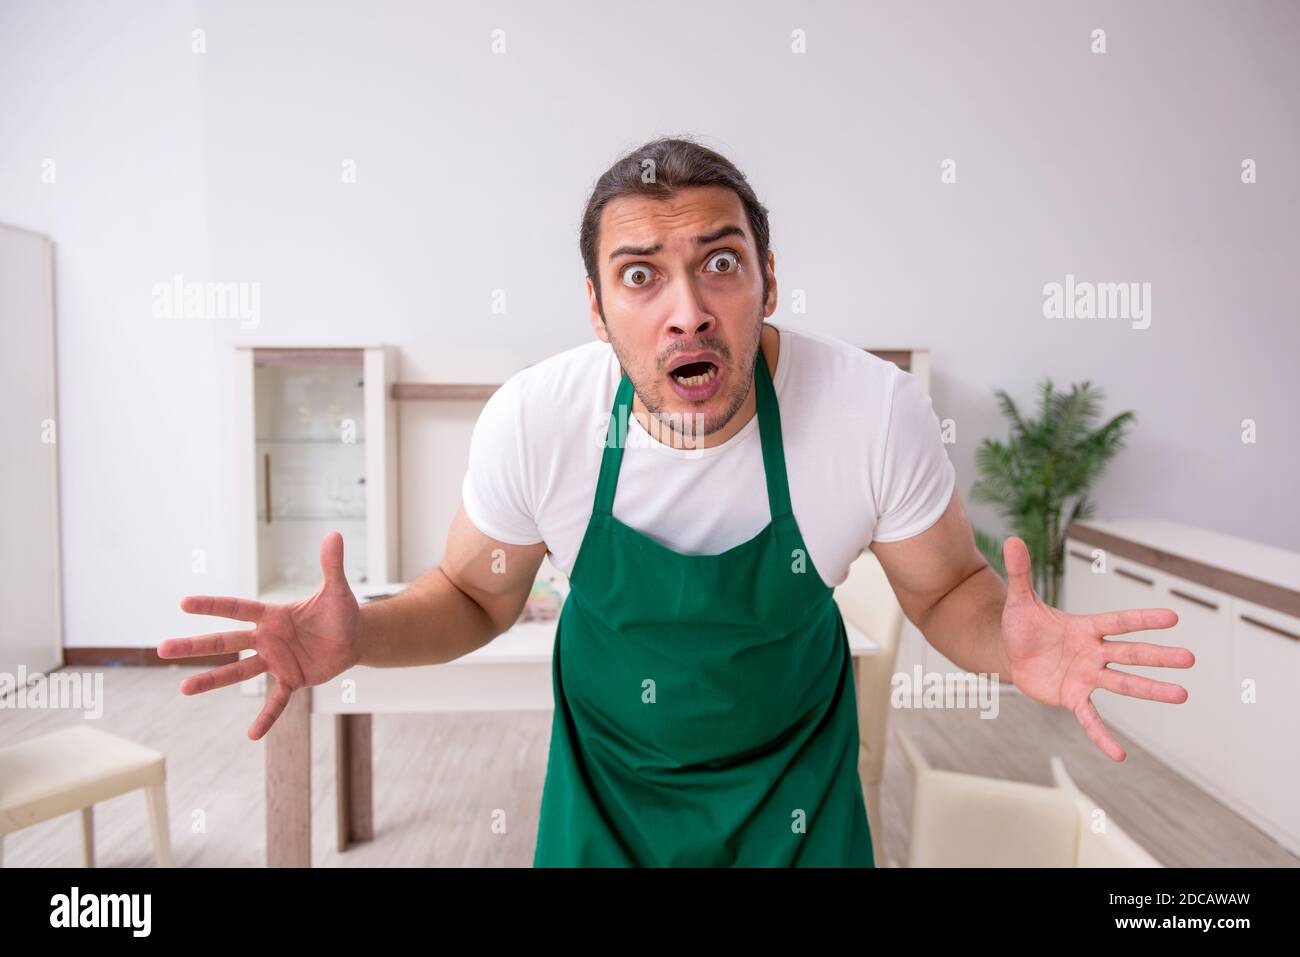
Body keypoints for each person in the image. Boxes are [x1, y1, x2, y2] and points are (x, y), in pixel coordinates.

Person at [159, 136, 1193, 867]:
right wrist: (367, 634)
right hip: (609, 791)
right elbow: (473, 600)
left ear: (768, 281)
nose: (687, 311)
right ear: (599, 311)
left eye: (719, 264)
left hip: (797, 787)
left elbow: (948, 593)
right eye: (642, 277)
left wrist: (1008, 644)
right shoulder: (539, 418)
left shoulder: (872, 413)